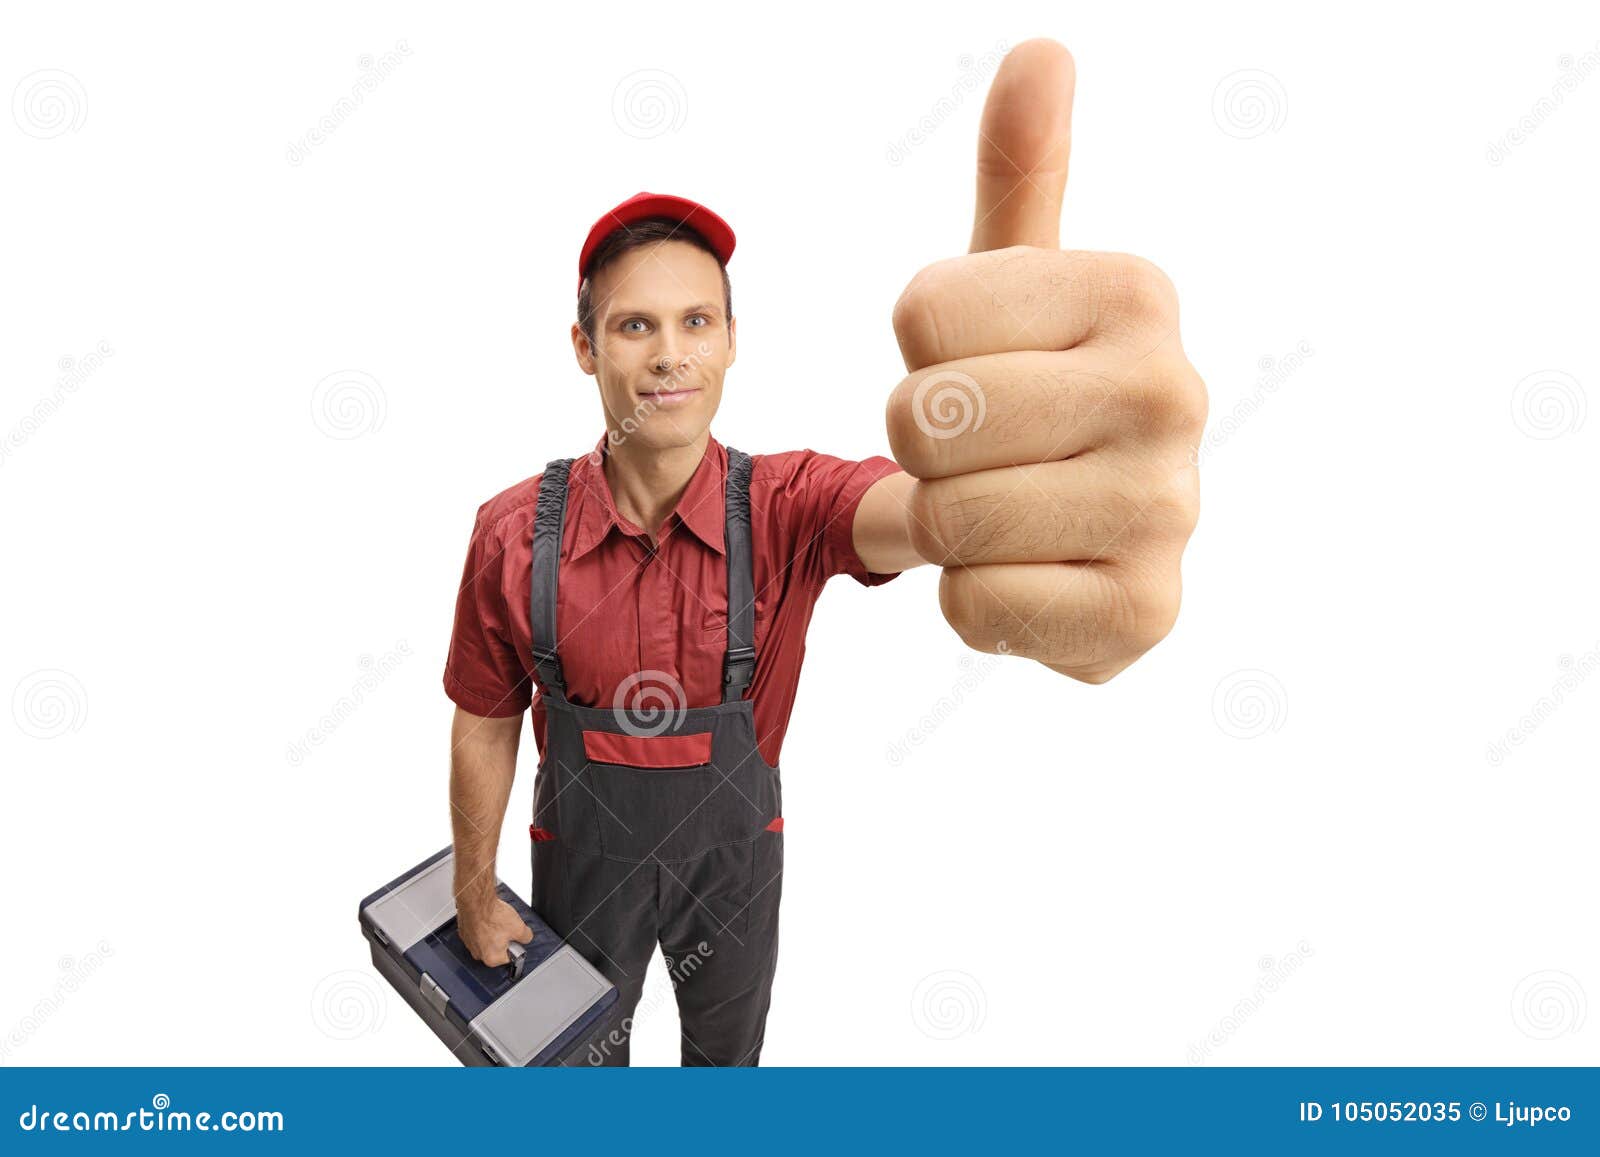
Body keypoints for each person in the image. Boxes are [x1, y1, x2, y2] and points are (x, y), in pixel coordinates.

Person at [443, 38, 1205, 1066]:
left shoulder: (787, 503)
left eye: (695, 320)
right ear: (584, 347)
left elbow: (912, 510)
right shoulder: (510, 531)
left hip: (735, 863)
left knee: (728, 1068)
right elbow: (485, 721)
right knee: (575, 1070)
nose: (669, 351)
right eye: (633, 325)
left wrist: (1000, 485)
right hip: (580, 865)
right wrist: (473, 891)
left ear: (729, 339)